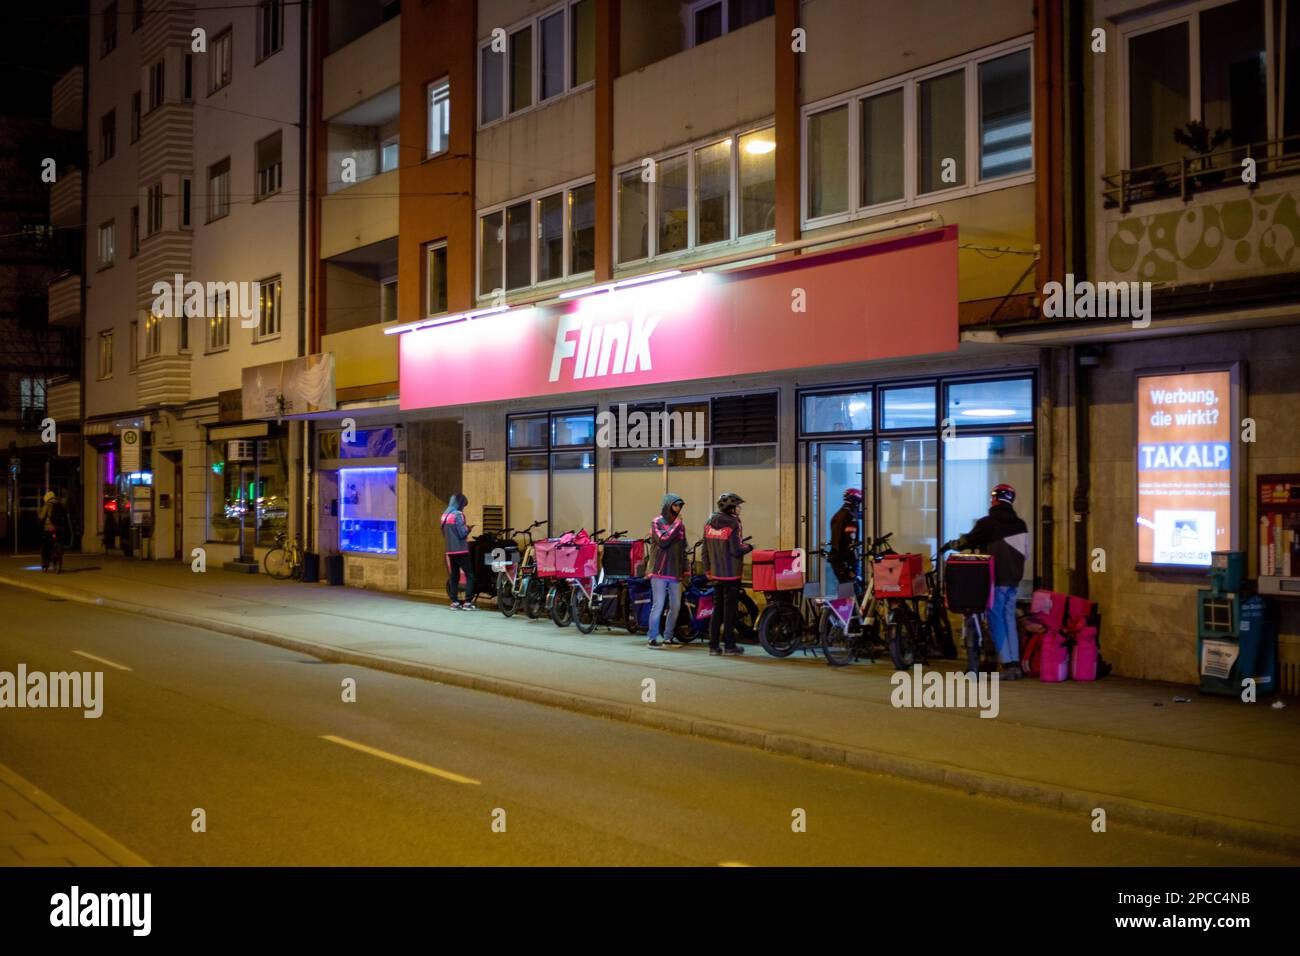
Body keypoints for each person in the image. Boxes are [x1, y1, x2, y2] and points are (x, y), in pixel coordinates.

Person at [951, 483, 1029, 679]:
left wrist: (954, 544)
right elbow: (1025, 553)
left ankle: (1007, 664)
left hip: (996, 578)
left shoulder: (988, 522)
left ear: (994, 498)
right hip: (1014, 578)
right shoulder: (1021, 524)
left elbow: (968, 541)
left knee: (995, 619)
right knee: (1009, 618)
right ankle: (1015, 665)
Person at [701, 491, 752, 656]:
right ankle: (729, 645)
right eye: (738, 506)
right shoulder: (734, 523)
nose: (740, 509)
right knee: (729, 612)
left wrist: (707, 568)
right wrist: (749, 547)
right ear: (731, 508)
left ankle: (713, 646)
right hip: (731, 574)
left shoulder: (709, 521)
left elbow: (704, 549)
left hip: (716, 573)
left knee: (717, 610)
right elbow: (736, 550)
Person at [646, 493, 687, 648]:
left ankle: (668, 637)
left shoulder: (680, 525)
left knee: (676, 605)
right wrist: (676, 524)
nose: (678, 508)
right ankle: (652, 637)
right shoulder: (657, 522)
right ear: (668, 505)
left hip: (675, 572)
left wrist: (686, 568)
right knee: (659, 604)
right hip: (659, 571)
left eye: (680, 506)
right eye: (676, 505)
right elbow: (663, 541)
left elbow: (683, 547)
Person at [441, 493, 476, 610]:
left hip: (450, 550)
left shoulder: (445, 515)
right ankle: (468, 602)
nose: (463, 508)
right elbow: (462, 533)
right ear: (460, 504)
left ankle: (455, 602)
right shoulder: (458, 515)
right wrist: (469, 529)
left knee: (454, 576)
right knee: (470, 575)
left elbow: (444, 533)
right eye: (464, 505)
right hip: (461, 550)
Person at [829, 487, 863, 591]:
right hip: (846, 560)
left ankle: (844, 606)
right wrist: (854, 563)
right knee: (851, 589)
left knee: (845, 588)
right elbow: (850, 542)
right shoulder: (850, 516)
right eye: (860, 502)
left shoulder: (838, 514)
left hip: (837, 558)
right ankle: (847, 607)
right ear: (855, 501)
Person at [37, 491, 68, 572]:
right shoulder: (60, 505)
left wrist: (40, 522)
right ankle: (59, 554)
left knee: (45, 544)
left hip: (50, 528)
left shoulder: (47, 505)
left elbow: (41, 517)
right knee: (59, 541)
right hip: (60, 528)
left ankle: (45, 561)